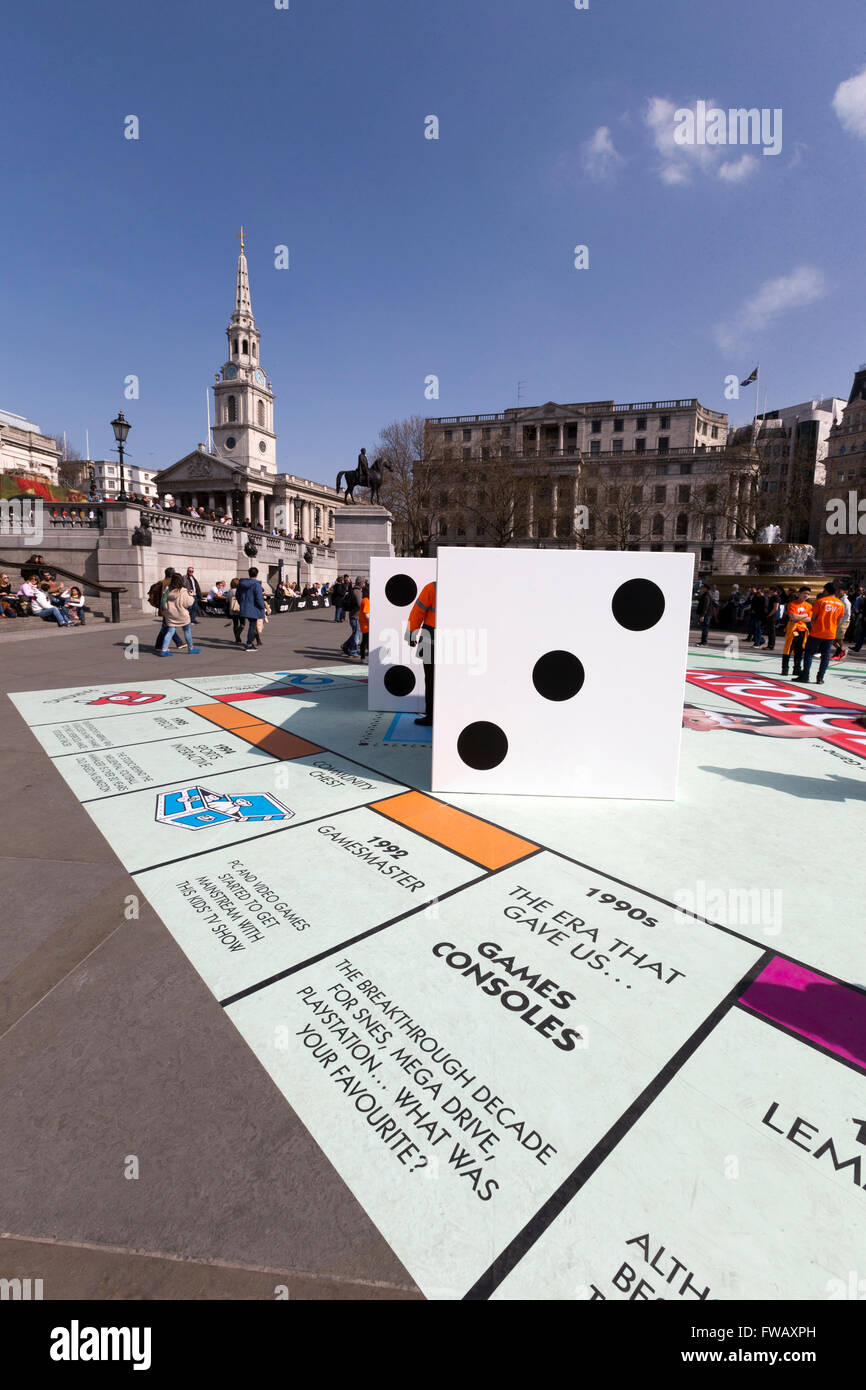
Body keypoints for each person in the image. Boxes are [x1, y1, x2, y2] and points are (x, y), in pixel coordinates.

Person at [795, 583, 846, 685]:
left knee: (809, 653)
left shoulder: (821, 601)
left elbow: (813, 618)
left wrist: (814, 626)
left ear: (826, 590)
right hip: (830, 633)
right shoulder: (840, 604)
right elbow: (839, 620)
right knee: (825, 655)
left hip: (817, 632)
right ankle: (820, 677)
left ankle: (805, 675)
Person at [407, 579, 436, 725]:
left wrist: (411, 634)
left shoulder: (432, 587)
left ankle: (431, 716)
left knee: (430, 678)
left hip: (430, 635)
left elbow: (417, 612)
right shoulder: (463, 586)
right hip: (455, 635)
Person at [157, 575, 201, 656]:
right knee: (187, 631)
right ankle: (191, 648)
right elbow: (188, 603)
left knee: (170, 632)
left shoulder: (167, 590)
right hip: (182, 614)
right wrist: (191, 595)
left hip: (171, 615)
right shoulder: (183, 591)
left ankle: (164, 649)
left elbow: (164, 603)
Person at [781, 587, 812, 677]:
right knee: (788, 648)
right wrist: (804, 615)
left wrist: (800, 616)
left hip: (803, 630)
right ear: (799, 593)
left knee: (800, 650)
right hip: (793, 630)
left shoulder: (809, 606)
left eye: (808, 594)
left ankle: (797, 668)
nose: (806, 595)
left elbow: (809, 619)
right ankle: (785, 668)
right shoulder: (792, 604)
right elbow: (792, 617)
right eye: (804, 593)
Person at [153, 568, 185, 652]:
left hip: (163, 608)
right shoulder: (170, 583)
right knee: (166, 626)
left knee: (168, 626)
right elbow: (166, 598)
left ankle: (179, 643)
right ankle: (160, 645)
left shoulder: (162, 581)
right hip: (168, 608)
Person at [236, 567, 265, 650]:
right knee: (252, 626)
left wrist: (241, 603)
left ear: (249, 573)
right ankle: (249, 644)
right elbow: (259, 597)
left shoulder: (241, 583)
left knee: (250, 625)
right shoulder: (256, 584)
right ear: (257, 574)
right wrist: (262, 606)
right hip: (253, 607)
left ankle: (249, 643)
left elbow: (237, 595)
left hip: (244, 606)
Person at [340, 576, 363, 657]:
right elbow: (360, 604)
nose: (364, 584)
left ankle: (346, 645)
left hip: (353, 615)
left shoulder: (354, 590)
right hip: (356, 616)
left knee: (355, 633)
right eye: (363, 582)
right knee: (357, 634)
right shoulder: (358, 592)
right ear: (360, 583)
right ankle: (352, 651)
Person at [227, 577, 245, 644]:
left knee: (235, 624)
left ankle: (237, 639)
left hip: (232, 610)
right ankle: (238, 634)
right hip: (240, 609)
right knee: (243, 624)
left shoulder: (230, 591)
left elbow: (227, 600)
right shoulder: (240, 591)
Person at [358, 581, 370, 661]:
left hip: (364, 622)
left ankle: (364, 656)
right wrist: (371, 622)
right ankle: (362, 657)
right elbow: (366, 613)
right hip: (365, 623)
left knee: (367, 640)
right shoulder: (366, 600)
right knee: (365, 640)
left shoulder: (364, 600)